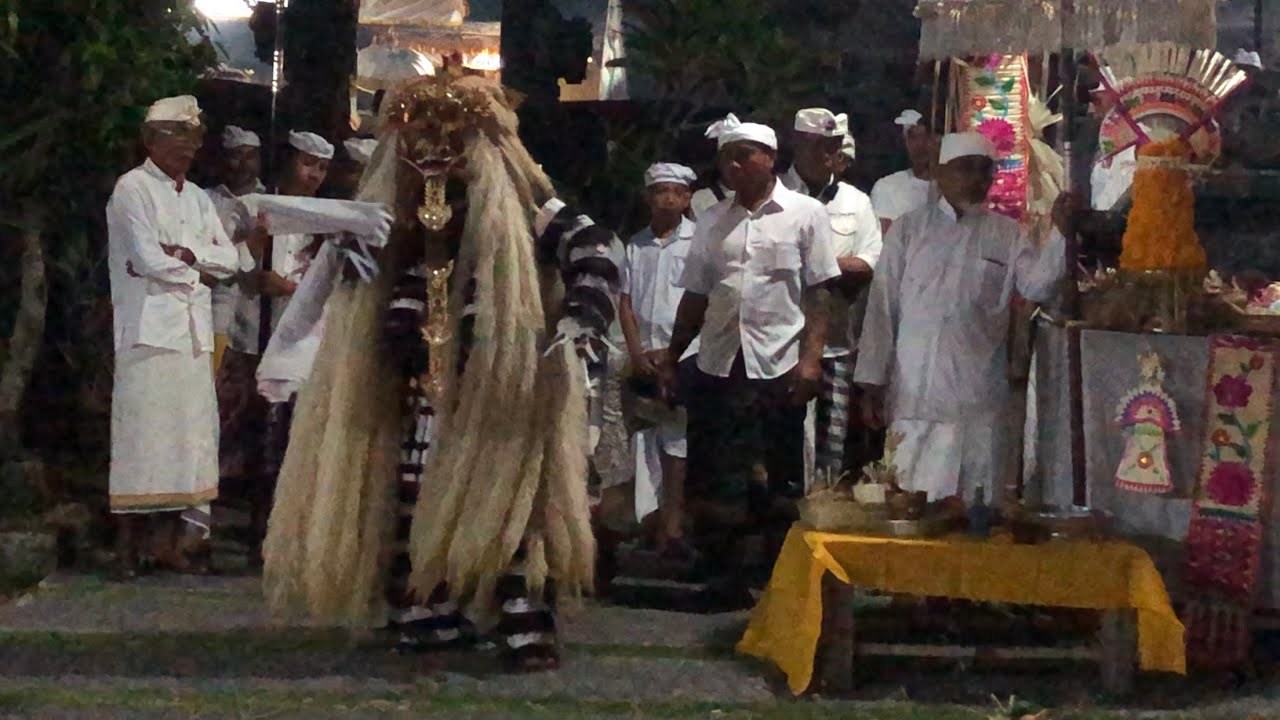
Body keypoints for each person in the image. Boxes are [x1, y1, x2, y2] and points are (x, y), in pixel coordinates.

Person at [257, 70, 622, 672]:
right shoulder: (389, 213)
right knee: (413, 490)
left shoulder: (525, 207)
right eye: (420, 138)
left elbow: (593, 248)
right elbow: (347, 280)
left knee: (511, 502)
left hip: (501, 387)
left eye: (451, 138)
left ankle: (520, 617)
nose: (436, 153)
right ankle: (428, 606)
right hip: (416, 386)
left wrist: (582, 316)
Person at [656, 115, 839, 592]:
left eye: (744, 155)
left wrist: (811, 359)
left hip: (778, 363)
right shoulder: (712, 219)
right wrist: (674, 354)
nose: (734, 165)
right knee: (715, 465)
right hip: (719, 359)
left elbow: (820, 293)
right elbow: (696, 294)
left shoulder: (805, 214)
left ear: (770, 159)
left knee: (776, 468)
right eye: (726, 157)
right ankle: (719, 566)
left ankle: (776, 572)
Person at [854, 132, 1073, 504]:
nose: (976, 179)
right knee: (910, 502)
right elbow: (882, 307)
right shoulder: (909, 230)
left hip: (978, 400)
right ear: (940, 174)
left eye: (984, 170)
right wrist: (872, 381)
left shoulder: (1006, 234)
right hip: (915, 398)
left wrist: (1061, 234)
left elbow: (1037, 287)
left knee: (975, 511)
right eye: (964, 168)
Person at [106, 95, 241, 579]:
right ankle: (126, 551)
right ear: (150, 139)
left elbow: (231, 261)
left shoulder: (199, 198)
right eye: (176, 133)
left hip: (191, 335)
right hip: (149, 332)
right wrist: (194, 269)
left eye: (194, 135)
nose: (187, 144)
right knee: (143, 439)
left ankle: (171, 545)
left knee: (187, 441)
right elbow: (145, 258)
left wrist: (187, 255)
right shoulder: (132, 189)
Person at [215, 130, 333, 564]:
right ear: (286, 162)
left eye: (320, 168)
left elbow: (333, 284)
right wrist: (253, 254)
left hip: (300, 346)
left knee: (289, 442)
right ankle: (251, 530)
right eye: (306, 164)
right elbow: (227, 263)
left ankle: (286, 534)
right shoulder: (256, 209)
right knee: (248, 439)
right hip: (252, 340)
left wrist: (286, 287)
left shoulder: (326, 219)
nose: (313, 175)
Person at [780, 108, 883, 484]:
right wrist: (837, 267)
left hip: (838, 346)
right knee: (786, 450)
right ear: (798, 143)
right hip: (781, 348)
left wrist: (817, 263)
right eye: (818, 144)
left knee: (832, 451)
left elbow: (869, 263)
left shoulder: (857, 202)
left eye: (834, 145)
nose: (827, 152)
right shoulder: (776, 198)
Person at [619, 162, 700, 556]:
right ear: (648, 197)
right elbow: (626, 302)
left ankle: (674, 523)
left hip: (682, 354)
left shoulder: (697, 242)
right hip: (644, 355)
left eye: (676, 191)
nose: (668, 198)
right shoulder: (636, 244)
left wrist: (674, 354)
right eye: (660, 191)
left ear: (687, 198)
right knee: (644, 438)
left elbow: (702, 300)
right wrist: (636, 351)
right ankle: (647, 521)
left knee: (677, 439)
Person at [209, 125, 265, 373]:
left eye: (250, 156)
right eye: (236, 155)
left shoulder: (273, 202)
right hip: (213, 318)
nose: (243, 164)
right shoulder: (205, 200)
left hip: (257, 327)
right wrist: (243, 244)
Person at [869, 109, 939, 234]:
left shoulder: (952, 189)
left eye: (926, 137)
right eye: (913, 137)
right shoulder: (887, 187)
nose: (920, 144)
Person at [689, 114, 740, 219]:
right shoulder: (702, 200)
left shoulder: (764, 195)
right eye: (728, 158)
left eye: (740, 157)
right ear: (719, 161)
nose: (735, 164)